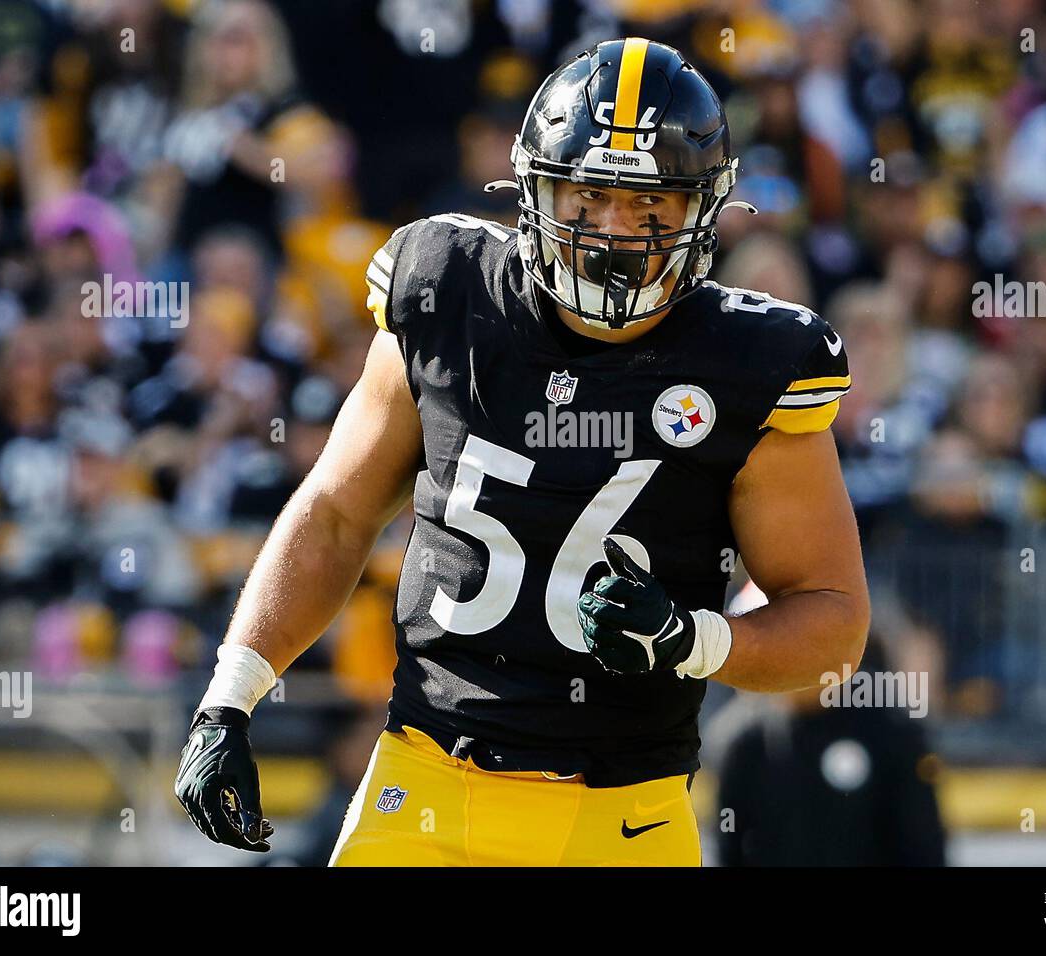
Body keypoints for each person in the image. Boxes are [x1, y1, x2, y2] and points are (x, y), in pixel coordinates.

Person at [175, 38, 869, 867]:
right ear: (532, 189)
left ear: (704, 211)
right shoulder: (444, 290)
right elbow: (333, 516)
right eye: (587, 198)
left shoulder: (749, 361)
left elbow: (831, 617)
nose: (614, 233)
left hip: (623, 812)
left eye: (650, 209)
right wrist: (230, 696)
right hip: (427, 779)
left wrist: (696, 641)